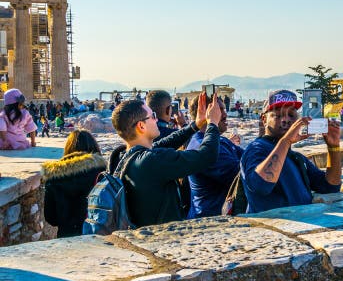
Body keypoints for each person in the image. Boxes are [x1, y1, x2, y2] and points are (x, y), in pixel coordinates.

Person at [110, 94, 222, 227]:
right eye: (152, 117)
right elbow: (206, 156)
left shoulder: (127, 156)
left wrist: (195, 125)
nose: (156, 120)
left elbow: (167, 142)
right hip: (162, 239)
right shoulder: (151, 161)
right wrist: (213, 123)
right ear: (141, 126)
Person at [241, 90, 341, 213]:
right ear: (264, 119)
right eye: (278, 115)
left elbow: (330, 186)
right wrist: (286, 140)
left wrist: (333, 148)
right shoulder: (256, 149)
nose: (286, 120)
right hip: (275, 229)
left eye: (291, 115)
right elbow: (260, 185)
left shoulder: (296, 157)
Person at [186, 95, 243, 218]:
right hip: (208, 223)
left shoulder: (220, 141)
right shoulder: (201, 146)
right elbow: (244, 175)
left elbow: (248, 157)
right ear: (208, 113)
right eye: (220, 110)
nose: (225, 114)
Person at [42, 130, 106, 238]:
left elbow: (51, 218)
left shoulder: (54, 176)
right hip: (97, 236)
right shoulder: (101, 173)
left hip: (66, 236)